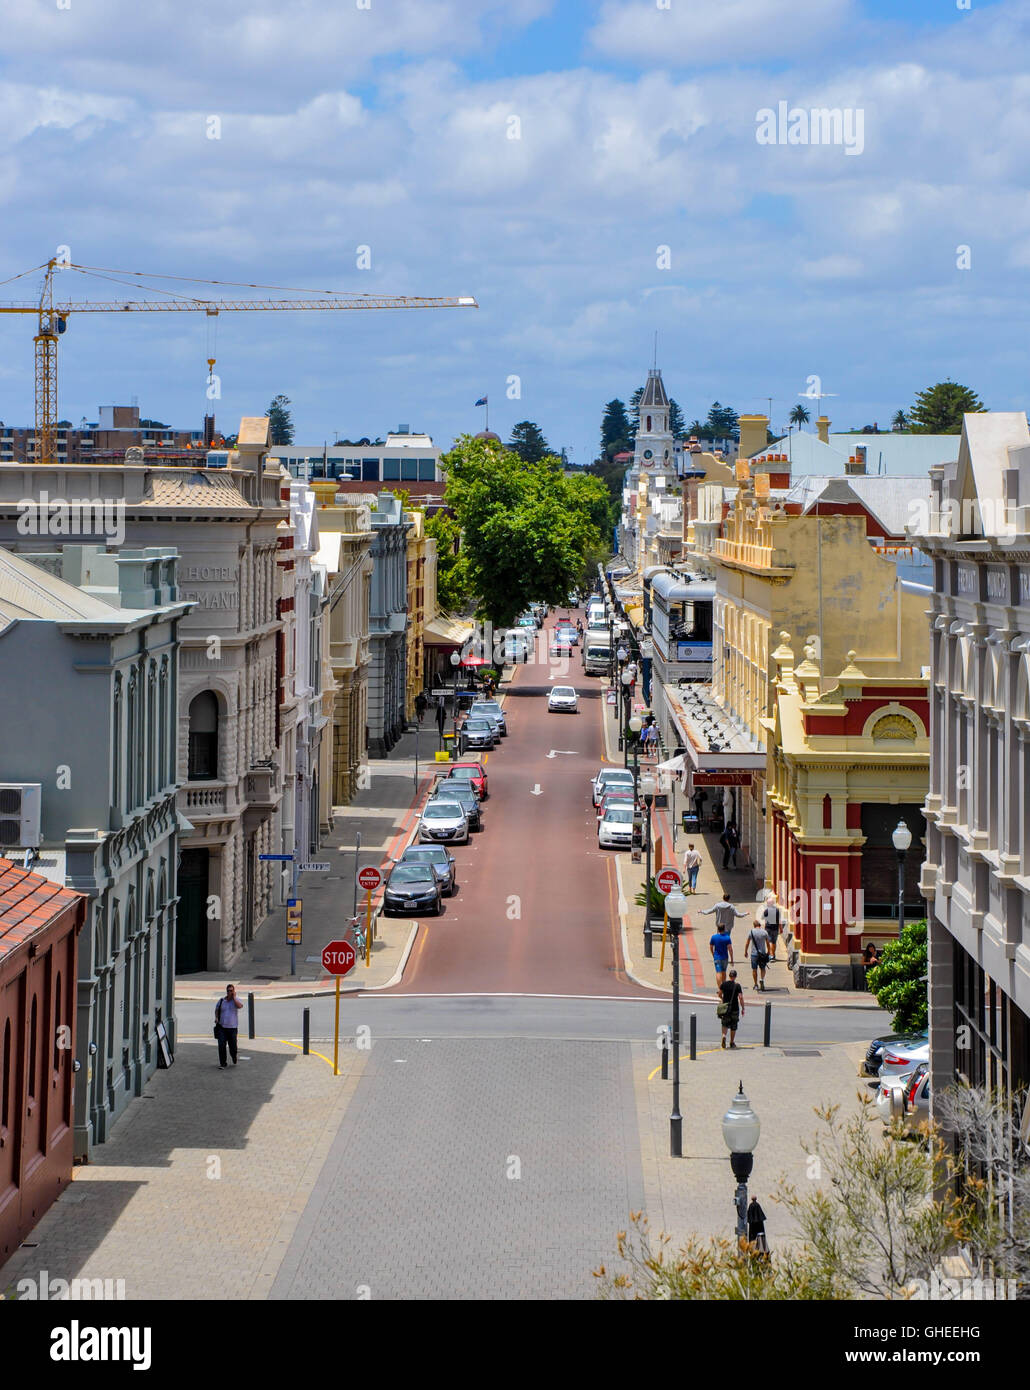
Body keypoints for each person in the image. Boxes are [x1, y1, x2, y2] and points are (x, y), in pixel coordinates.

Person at [214, 984, 243, 1068]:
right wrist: (216, 1018)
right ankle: (223, 1063)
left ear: (234, 991)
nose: (229, 992)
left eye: (231, 991)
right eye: (228, 991)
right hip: (222, 1028)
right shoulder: (222, 1000)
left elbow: (240, 1006)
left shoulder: (236, 1000)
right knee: (221, 1046)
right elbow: (216, 1010)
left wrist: (234, 998)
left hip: (232, 1028)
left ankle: (234, 1056)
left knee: (233, 1047)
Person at [718, 969, 745, 1048]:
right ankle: (732, 1042)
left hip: (725, 1007)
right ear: (735, 977)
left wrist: (723, 999)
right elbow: (740, 997)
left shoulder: (724, 984)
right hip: (734, 1008)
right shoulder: (737, 985)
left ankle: (723, 1036)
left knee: (725, 1023)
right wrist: (743, 1008)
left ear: (729, 976)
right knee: (734, 1025)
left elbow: (719, 994)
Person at [744, 918, 771, 991]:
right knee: (763, 968)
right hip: (762, 954)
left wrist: (745, 951)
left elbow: (747, 943)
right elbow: (768, 943)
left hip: (754, 954)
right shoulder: (764, 932)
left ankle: (755, 984)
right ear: (760, 925)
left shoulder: (751, 932)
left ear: (754, 925)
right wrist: (769, 952)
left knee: (754, 969)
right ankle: (761, 979)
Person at [760, 894, 783, 961]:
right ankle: (773, 954)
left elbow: (763, 919)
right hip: (775, 929)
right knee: (774, 942)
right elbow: (779, 920)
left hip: (768, 929)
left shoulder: (766, 911)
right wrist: (781, 928)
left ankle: (771, 955)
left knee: (769, 942)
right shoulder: (777, 910)